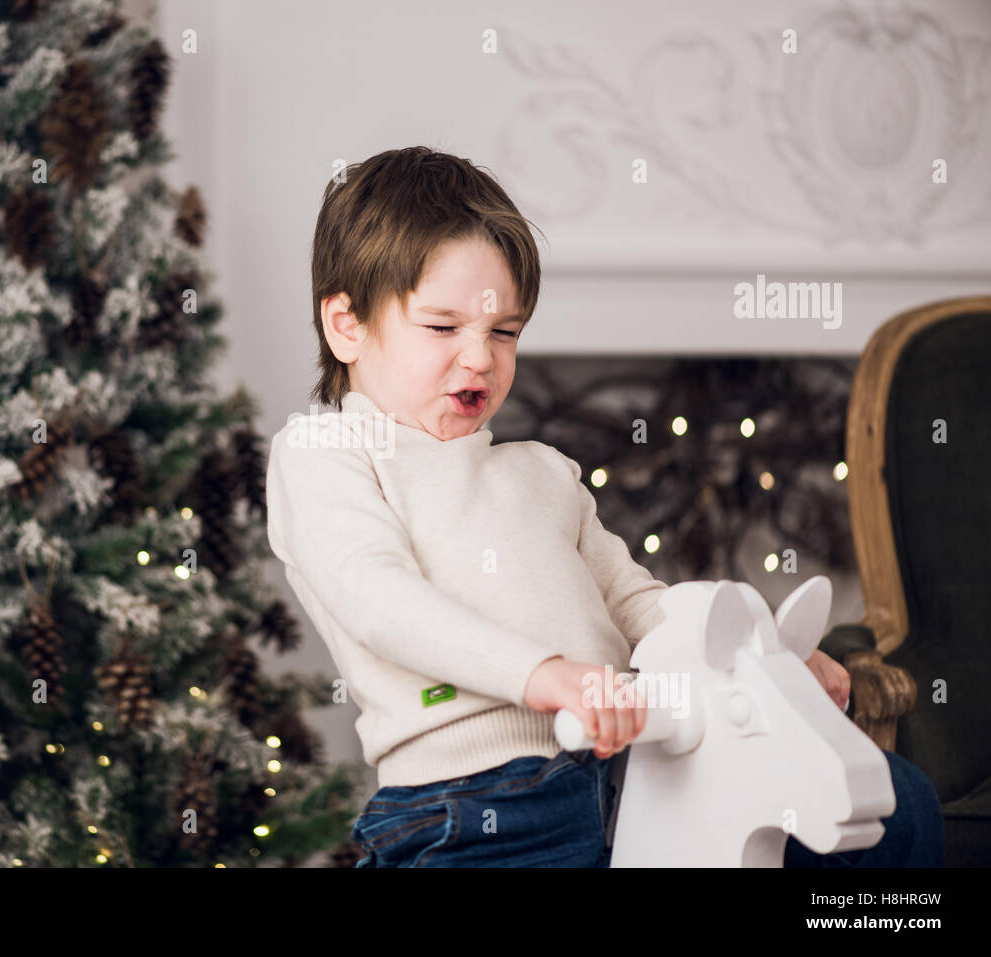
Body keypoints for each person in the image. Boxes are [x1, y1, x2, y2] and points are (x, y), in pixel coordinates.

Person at [264, 146, 944, 867]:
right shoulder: (326, 451)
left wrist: (760, 663)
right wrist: (548, 674)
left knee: (895, 804)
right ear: (346, 325)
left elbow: (641, 605)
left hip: (621, 782)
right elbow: (380, 600)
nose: (480, 357)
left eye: (504, 331)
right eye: (442, 327)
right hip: (468, 815)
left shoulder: (541, 472)